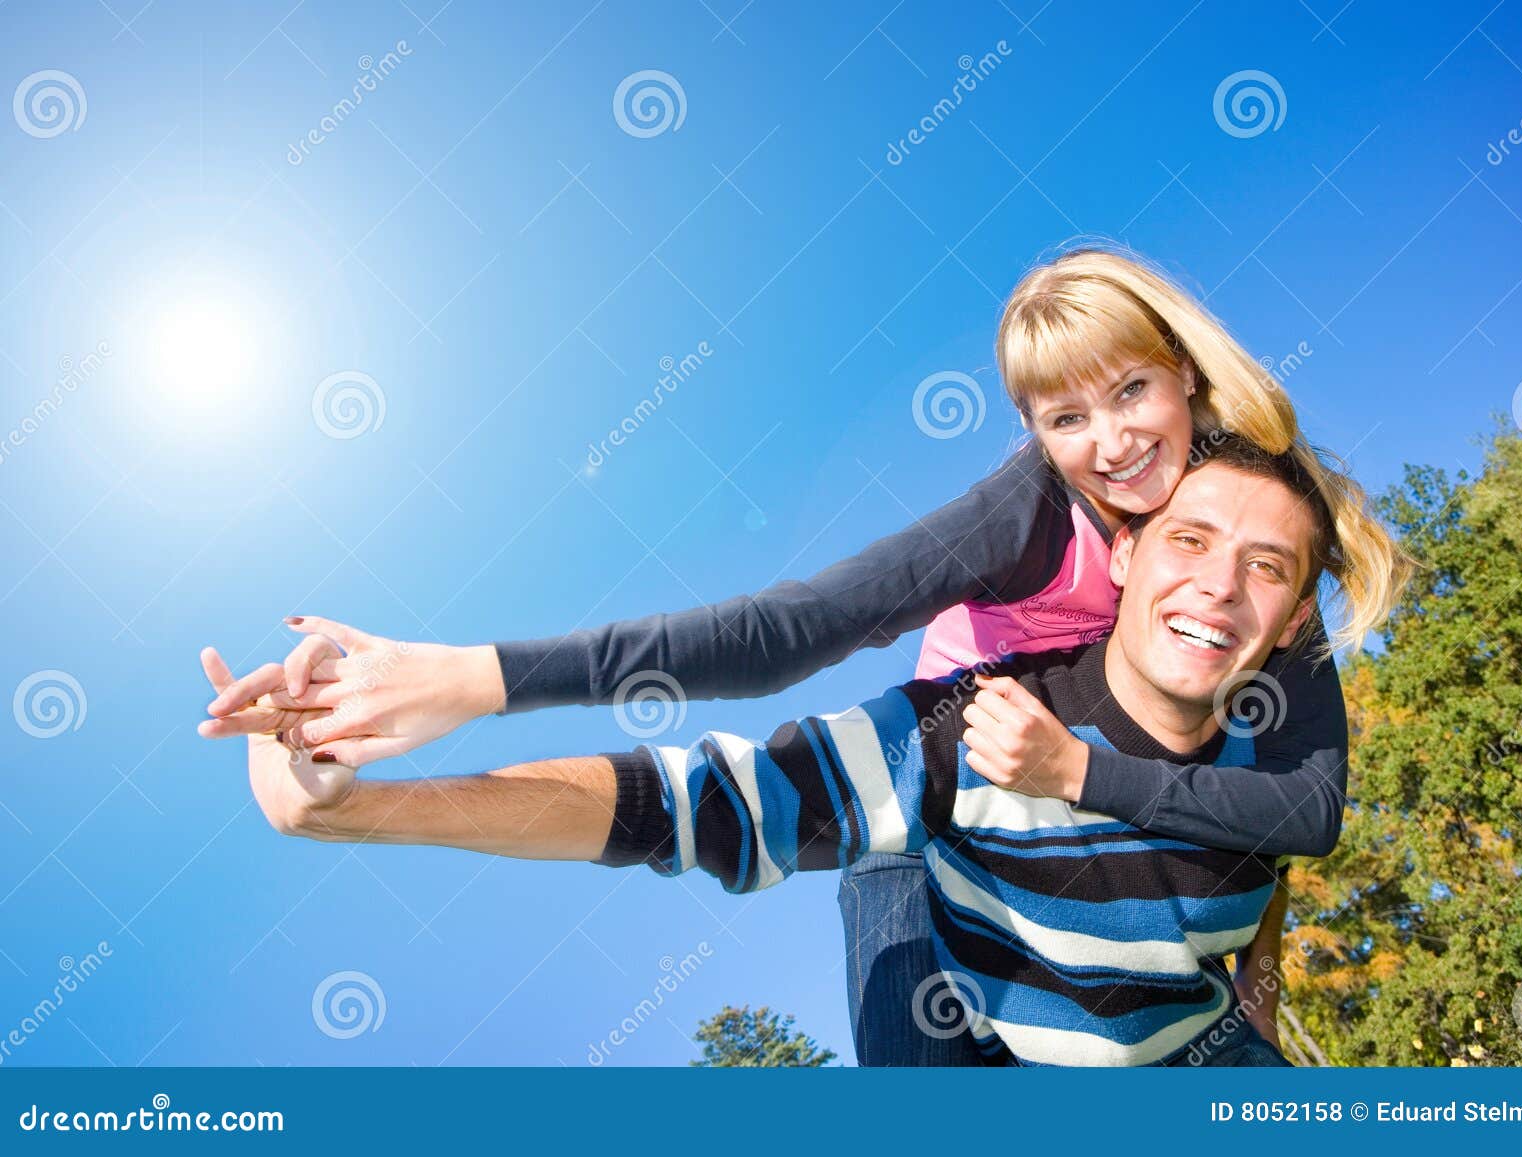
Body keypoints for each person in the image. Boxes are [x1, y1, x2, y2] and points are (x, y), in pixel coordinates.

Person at [198, 245, 1410, 1063]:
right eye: (1064, 419)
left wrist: (1253, 969)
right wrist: (470, 683)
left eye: (1132, 392)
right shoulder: (1024, 520)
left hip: (1104, 824)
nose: (1112, 445)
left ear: (1187, 375)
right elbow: (784, 636)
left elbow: (1295, 801)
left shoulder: (1255, 539)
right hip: (947, 786)